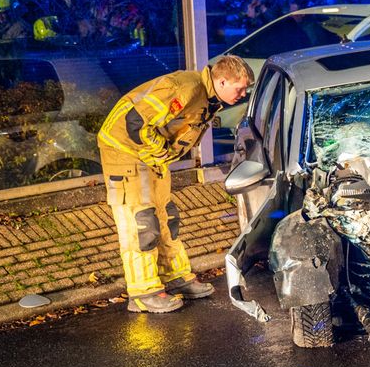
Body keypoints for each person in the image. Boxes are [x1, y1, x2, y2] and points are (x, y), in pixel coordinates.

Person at [97, 55, 254, 313]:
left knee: (166, 217)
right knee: (141, 222)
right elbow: (135, 122)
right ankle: (142, 293)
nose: (243, 93)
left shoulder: (208, 97)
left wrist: (160, 155)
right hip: (125, 152)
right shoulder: (186, 88)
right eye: (240, 88)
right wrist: (160, 152)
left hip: (147, 156)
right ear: (222, 81)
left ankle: (174, 277)